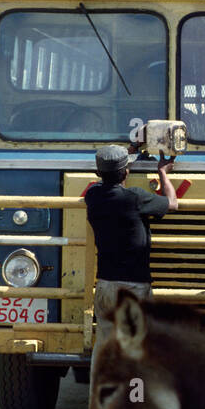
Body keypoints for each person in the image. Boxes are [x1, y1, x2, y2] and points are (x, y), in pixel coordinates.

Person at [84, 143, 178, 346]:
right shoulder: (135, 198)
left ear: (98, 172)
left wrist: (129, 151)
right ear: (126, 171)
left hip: (105, 286)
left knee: (105, 348)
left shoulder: (92, 196)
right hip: (134, 286)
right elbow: (172, 203)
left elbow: (107, 179)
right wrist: (162, 171)